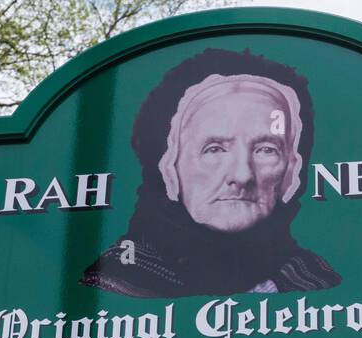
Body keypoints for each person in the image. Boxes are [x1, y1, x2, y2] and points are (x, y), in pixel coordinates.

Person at [81, 48, 340, 298]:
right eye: (214, 149)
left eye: (266, 149)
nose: (242, 175)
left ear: (291, 172)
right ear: (169, 167)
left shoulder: (316, 281)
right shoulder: (115, 282)